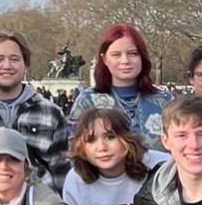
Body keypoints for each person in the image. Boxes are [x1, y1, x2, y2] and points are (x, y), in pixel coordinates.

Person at [0, 30, 72, 190]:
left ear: (25, 65)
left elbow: (62, 173)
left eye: (14, 59)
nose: (7, 66)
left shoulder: (50, 113)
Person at [70, 24, 171, 153]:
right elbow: (75, 149)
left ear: (142, 57)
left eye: (133, 54)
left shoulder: (166, 101)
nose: (125, 61)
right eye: (116, 55)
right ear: (104, 59)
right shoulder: (87, 101)